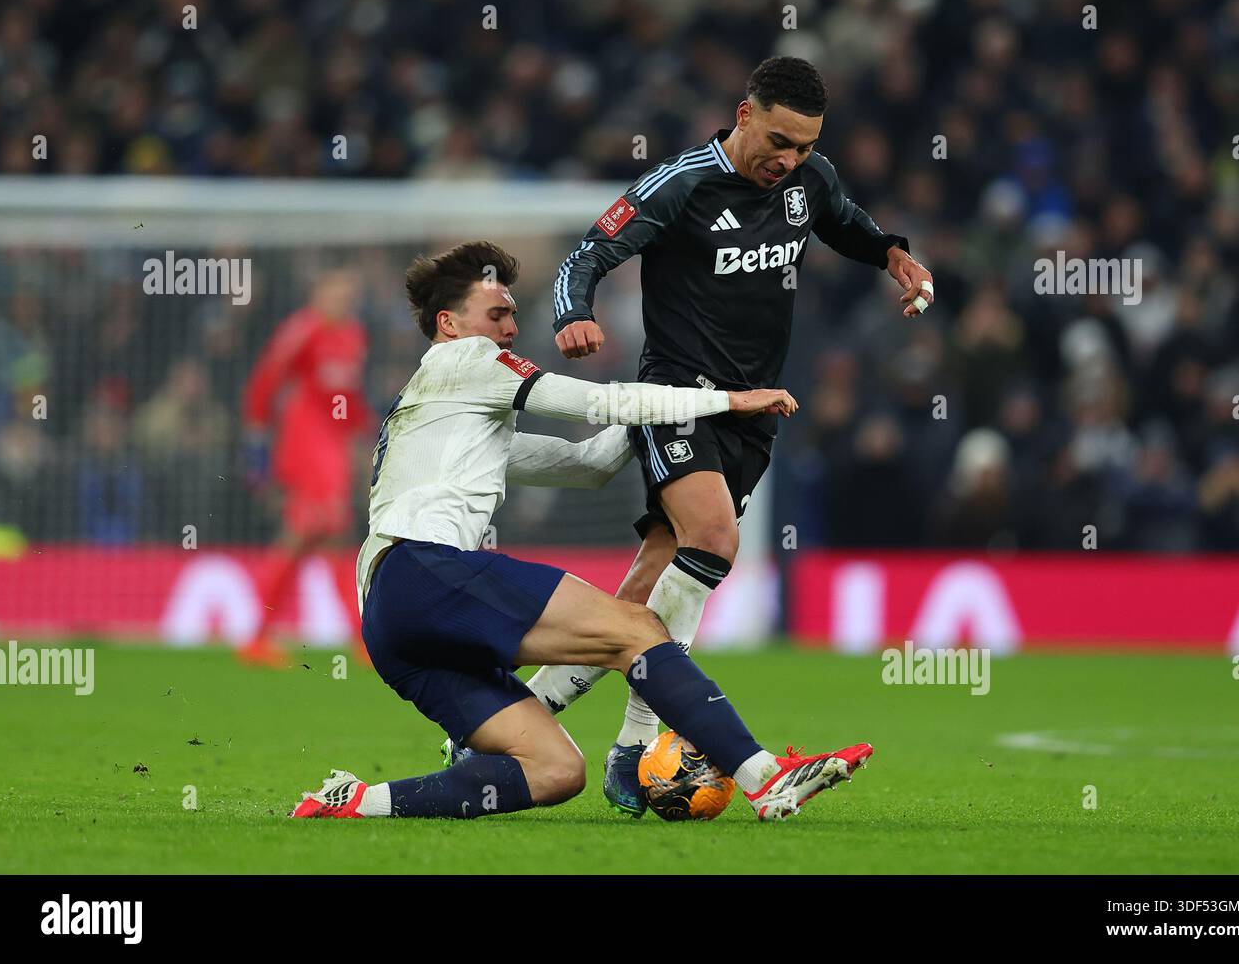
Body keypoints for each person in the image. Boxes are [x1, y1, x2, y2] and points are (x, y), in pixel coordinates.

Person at [289, 241, 873, 822]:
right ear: (450, 324)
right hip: (425, 570)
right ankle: (766, 779)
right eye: (498, 315)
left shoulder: (441, 412)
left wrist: (679, 410)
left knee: (555, 771)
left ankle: (359, 802)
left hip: (391, 623)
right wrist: (724, 399)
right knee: (635, 629)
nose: (512, 328)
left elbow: (589, 464)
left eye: (514, 315)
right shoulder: (466, 361)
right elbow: (600, 403)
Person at [523, 55, 932, 814]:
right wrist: (572, 313)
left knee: (653, 574)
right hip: (675, 396)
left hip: (753, 411)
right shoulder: (681, 184)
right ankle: (639, 741)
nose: (791, 160)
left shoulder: (809, 182)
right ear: (745, 114)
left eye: (806, 146)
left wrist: (891, 253)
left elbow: (846, 223)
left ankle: (531, 715)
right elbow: (589, 252)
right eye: (780, 140)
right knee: (712, 537)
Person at [239, 269, 373, 668]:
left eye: (350, 293)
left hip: (333, 445)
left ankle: (260, 636)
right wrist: (256, 439)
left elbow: (348, 396)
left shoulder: (353, 336)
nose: (344, 299)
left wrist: (365, 434)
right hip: (304, 440)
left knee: (318, 537)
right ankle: (357, 639)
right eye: (337, 290)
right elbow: (265, 381)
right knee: (320, 532)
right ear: (318, 291)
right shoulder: (302, 329)